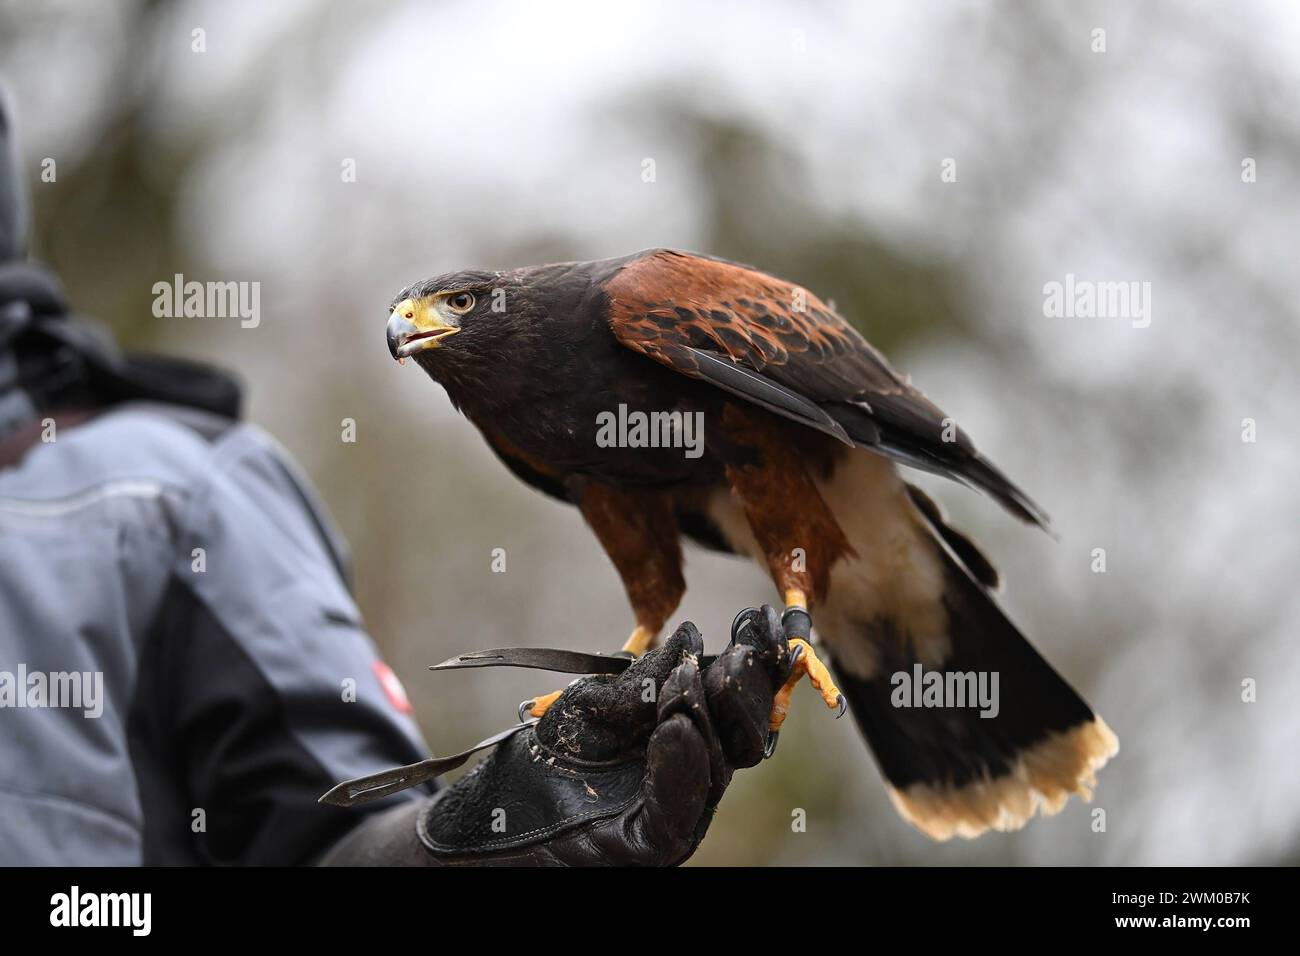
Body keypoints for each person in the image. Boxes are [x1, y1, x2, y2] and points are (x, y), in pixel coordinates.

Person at [0, 86, 786, 866]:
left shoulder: (165, 493)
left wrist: (503, 831)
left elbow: (327, 839)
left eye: (452, 306)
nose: (412, 324)